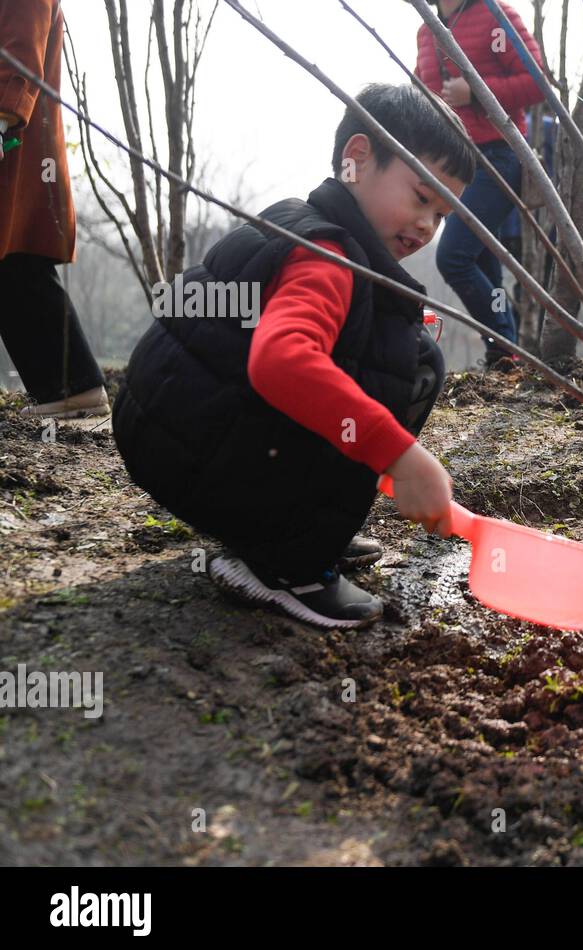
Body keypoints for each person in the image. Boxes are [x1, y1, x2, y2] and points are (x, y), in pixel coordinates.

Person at [112, 84, 475, 629]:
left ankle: (298, 524)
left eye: (442, 214)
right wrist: (399, 456)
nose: (428, 226)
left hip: (163, 433)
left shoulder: (301, 222)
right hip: (197, 461)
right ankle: (285, 564)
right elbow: (280, 363)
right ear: (356, 159)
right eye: (421, 197)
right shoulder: (327, 261)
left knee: (407, 345)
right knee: (413, 366)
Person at [416, 0, 543, 371]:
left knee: (453, 255)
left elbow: (536, 81)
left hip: (498, 155)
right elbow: (422, 93)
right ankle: (507, 354)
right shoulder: (427, 30)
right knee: (483, 265)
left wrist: (474, 91)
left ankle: (505, 351)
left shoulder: (494, 15)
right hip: (451, 163)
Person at [0, 0, 108, 419]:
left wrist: (4, 117)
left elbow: (20, 45)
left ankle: (75, 389)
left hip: (16, 147)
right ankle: (71, 389)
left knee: (17, 256)